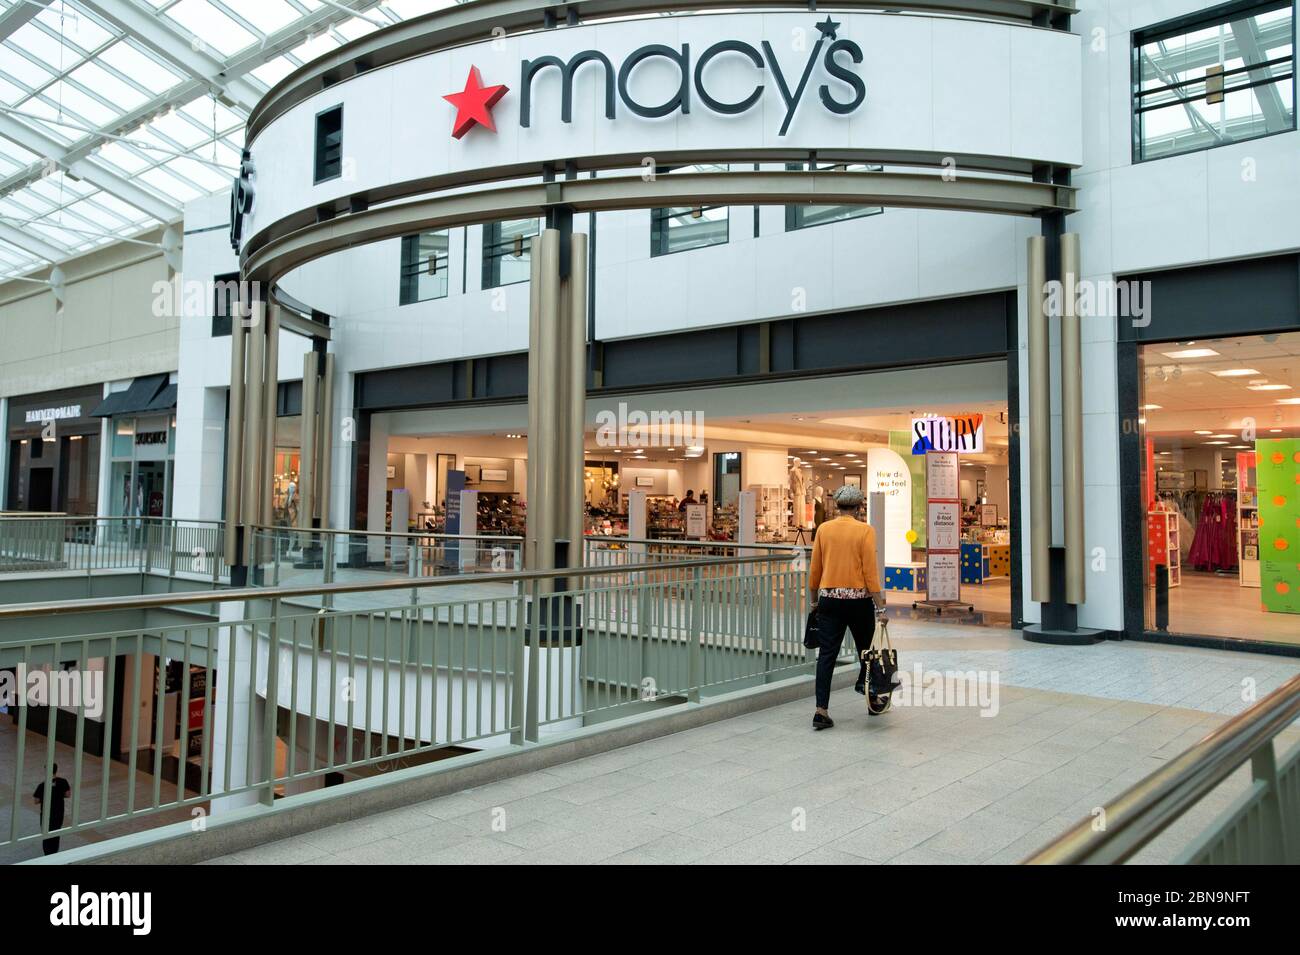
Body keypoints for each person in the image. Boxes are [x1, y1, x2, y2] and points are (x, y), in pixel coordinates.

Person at [807, 485, 885, 730]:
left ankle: (821, 710)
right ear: (860, 507)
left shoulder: (824, 529)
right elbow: (869, 572)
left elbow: (815, 569)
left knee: (827, 655)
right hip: (859, 602)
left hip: (829, 600)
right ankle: (872, 699)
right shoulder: (865, 531)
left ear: (837, 506)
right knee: (867, 651)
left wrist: (814, 601)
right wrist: (880, 605)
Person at [33, 764, 71, 855]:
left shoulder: (42, 785)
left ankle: (47, 853)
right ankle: (54, 852)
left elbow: (36, 800)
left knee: (46, 833)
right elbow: (68, 794)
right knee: (56, 832)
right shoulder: (63, 781)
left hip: (46, 814)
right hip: (59, 813)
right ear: (56, 770)